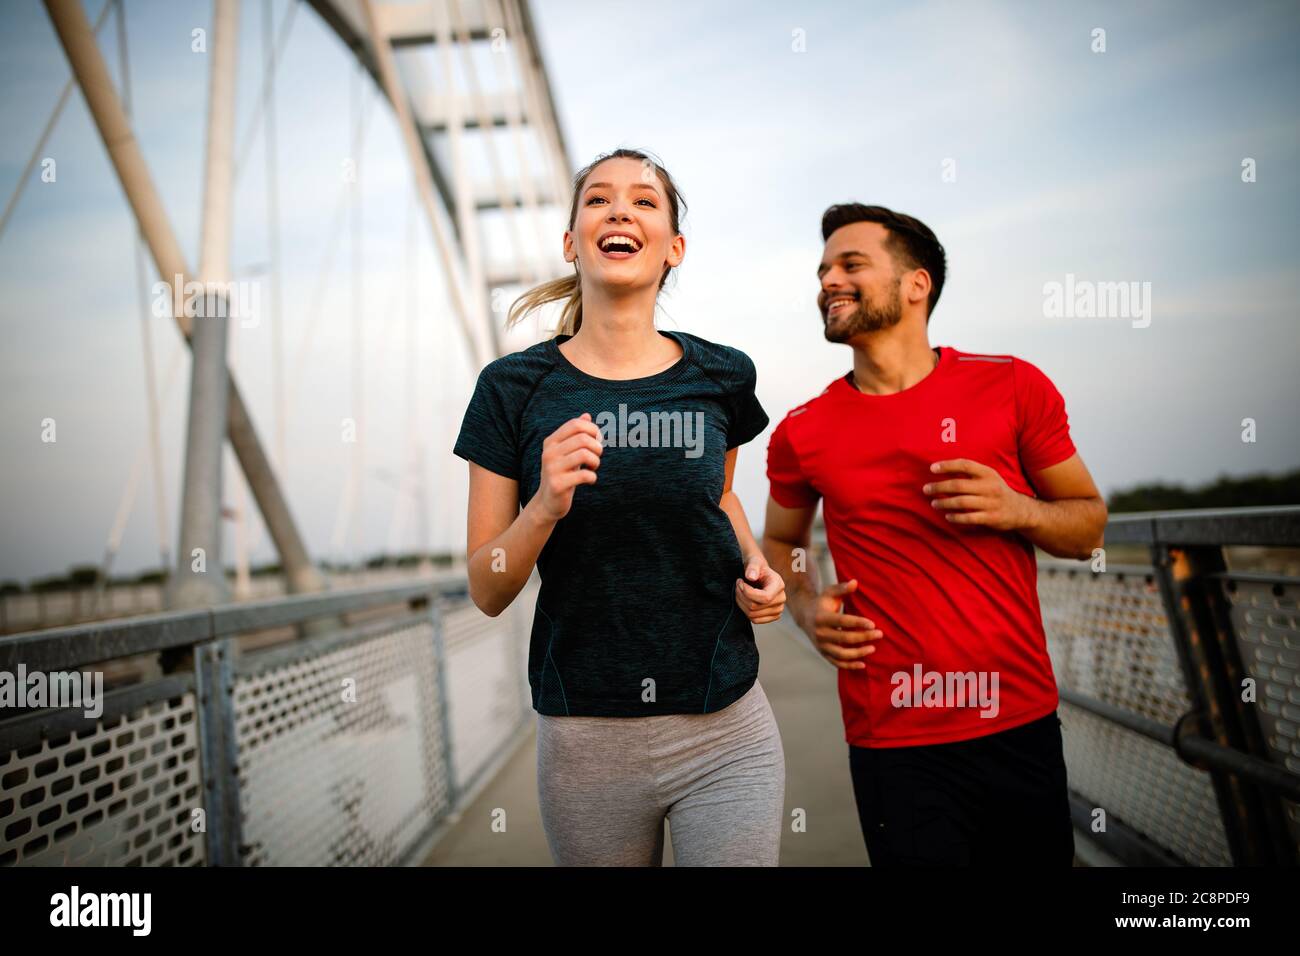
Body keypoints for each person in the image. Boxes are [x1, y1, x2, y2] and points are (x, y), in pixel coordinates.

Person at [453, 148, 787, 866]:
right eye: (598, 200)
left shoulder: (722, 374)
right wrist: (543, 503)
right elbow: (486, 586)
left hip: (726, 724)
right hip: (587, 741)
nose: (620, 211)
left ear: (674, 247)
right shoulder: (511, 389)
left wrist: (757, 567)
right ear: (572, 242)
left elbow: (720, 495)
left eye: (643, 200)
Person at [761, 203, 1107, 866]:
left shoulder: (1011, 386)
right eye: (823, 269)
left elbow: (1088, 526)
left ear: (916, 284)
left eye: (850, 264)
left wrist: (1019, 509)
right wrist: (805, 606)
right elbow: (783, 542)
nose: (828, 280)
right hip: (891, 740)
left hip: (1016, 722)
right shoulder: (802, 430)